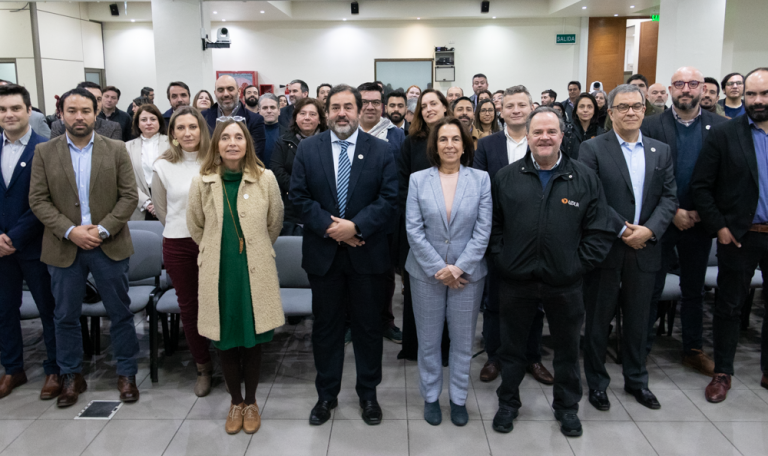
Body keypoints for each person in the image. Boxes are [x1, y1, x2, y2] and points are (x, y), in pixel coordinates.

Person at [491, 107, 616, 437]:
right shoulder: (506, 177)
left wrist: (577, 265)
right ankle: (508, 403)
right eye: (537, 132)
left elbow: (599, 229)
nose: (544, 137)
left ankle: (566, 407)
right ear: (527, 137)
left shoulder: (585, 178)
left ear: (562, 136)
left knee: (566, 351)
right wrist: (503, 259)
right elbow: (493, 226)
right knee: (512, 349)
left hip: (566, 283)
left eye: (551, 131)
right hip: (516, 281)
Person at [289, 84, 397, 426]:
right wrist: (332, 228)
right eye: (335, 107)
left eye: (348, 106)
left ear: (359, 109)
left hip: (367, 255)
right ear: (326, 112)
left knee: (367, 328)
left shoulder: (380, 150)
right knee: (327, 329)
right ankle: (326, 395)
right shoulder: (309, 149)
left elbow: (390, 198)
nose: (341, 113)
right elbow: (299, 197)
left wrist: (356, 227)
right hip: (324, 256)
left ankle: (368, 394)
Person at [28, 87, 140, 408]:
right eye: (72, 111)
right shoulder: (45, 152)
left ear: (95, 114)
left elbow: (128, 197)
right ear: (61, 114)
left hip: (109, 244)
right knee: (64, 316)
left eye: (86, 111)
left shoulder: (116, 149)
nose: (79, 117)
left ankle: (127, 373)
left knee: (120, 312)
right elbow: (38, 199)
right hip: (64, 246)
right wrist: (70, 231)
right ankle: (71, 375)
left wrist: (101, 229)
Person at [580, 83, 677, 413]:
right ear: (611, 113)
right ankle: (597, 383)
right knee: (597, 321)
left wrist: (649, 230)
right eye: (623, 107)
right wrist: (622, 229)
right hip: (606, 249)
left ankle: (637, 381)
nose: (632, 112)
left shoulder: (660, 150)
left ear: (644, 109)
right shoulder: (592, 149)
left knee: (638, 321)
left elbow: (669, 198)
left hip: (645, 249)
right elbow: (592, 198)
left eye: (637, 106)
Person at [187, 117, 283, 434]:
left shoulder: (265, 179)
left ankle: (252, 402)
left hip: (254, 270)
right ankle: (235, 403)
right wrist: (217, 249)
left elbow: (275, 222)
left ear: (247, 143)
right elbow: (196, 225)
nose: (232, 143)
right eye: (225, 137)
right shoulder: (202, 181)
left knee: (252, 339)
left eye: (238, 137)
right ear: (216, 144)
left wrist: (255, 248)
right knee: (225, 339)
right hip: (220, 271)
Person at [641, 67, 728, 376]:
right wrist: (673, 211)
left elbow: (725, 178)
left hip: (700, 221)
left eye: (693, 84)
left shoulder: (721, 127)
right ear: (671, 89)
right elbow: (646, 177)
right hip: (661, 221)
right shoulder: (651, 125)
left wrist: (703, 212)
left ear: (703, 88)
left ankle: (692, 349)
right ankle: (641, 349)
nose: (686, 89)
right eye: (679, 84)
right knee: (650, 288)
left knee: (694, 290)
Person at [406, 116, 491, 426]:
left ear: (465, 144)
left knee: (462, 340)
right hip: (425, 273)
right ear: (435, 145)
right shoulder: (418, 179)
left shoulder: (481, 179)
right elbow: (413, 230)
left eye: (456, 139)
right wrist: (440, 269)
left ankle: (457, 398)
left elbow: (484, 229)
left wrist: (458, 268)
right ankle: (431, 397)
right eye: (443, 139)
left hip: (467, 275)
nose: (450, 145)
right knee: (428, 341)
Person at [691, 67, 768, 403]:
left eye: (764, 94)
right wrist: (720, 227)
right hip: (739, 236)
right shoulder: (725, 133)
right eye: (751, 94)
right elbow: (702, 187)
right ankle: (723, 371)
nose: (757, 100)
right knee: (729, 306)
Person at [473, 85, 553, 386]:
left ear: (531, 107)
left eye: (522, 104)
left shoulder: (544, 141)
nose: (516, 110)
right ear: (500, 110)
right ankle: (494, 356)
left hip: (537, 237)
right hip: (498, 235)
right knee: (494, 301)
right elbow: (481, 190)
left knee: (535, 301)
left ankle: (532, 357)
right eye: (510, 105)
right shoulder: (487, 146)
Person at [0, 84, 59, 401]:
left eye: (15, 109)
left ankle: (54, 368)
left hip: (36, 244)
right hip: (0, 250)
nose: (8, 114)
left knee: (48, 309)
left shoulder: (45, 149)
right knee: (4, 310)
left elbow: (46, 201)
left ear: (28, 111)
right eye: (3, 109)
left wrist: (15, 236)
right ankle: (12, 368)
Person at [396, 89, 452, 362]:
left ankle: (443, 349)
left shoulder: (456, 139)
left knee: (447, 286)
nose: (429, 108)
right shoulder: (411, 143)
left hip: (452, 229)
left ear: (444, 107)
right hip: (417, 227)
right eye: (424, 105)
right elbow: (402, 183)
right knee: (418, 286)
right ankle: (414, 347)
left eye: (434, 103)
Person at [271, 97, 327, 236]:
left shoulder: (329, 142)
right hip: (291, 207)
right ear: (295, 118)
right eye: (302, 113)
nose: (307, 118)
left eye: (312, 114)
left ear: (320, 119)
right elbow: (277, 170)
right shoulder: (283, 141)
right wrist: (299, 189)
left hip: (322, 206)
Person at [202, 75, 267, 164]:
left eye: (230, 89)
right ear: (215, 93)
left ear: (239, 91)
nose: (226, 94)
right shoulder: (203, 118)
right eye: (220, 90)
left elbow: (255, 156)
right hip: (210, 173)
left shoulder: (255, 120)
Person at [125, 103, 169, 221]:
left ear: (159, 121)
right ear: (138, 124)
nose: (148, 123)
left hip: (168, 202)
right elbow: (126, 180)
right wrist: (147, 203)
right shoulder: (127, 147)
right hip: (139, 203)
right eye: (144, 120)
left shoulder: (173, 144)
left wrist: (160, 203)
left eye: (153, 119)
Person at [50, 82, 122, 140]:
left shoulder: (112, 127)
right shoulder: (59, 125)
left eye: (99, 99)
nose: (95, 103)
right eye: (90, 98)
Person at [358, 82, 406, 154]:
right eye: (364, 102)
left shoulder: (397, 135)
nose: (370, 107)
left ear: (382, 106)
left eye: (376, 102)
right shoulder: (348, 132)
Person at [562, 92, 604, 160]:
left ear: (594, 110)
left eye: (589, 107)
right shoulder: (567, 132)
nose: (585, 110)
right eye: (581, 106)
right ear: (576, 110)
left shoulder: (601, 133)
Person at [259, 93, 281, 170]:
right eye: (265, 108)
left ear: (279, 111)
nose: (269, 111)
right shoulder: (252, 133)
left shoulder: (289, 134)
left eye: (272, 107)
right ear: (259, 111)